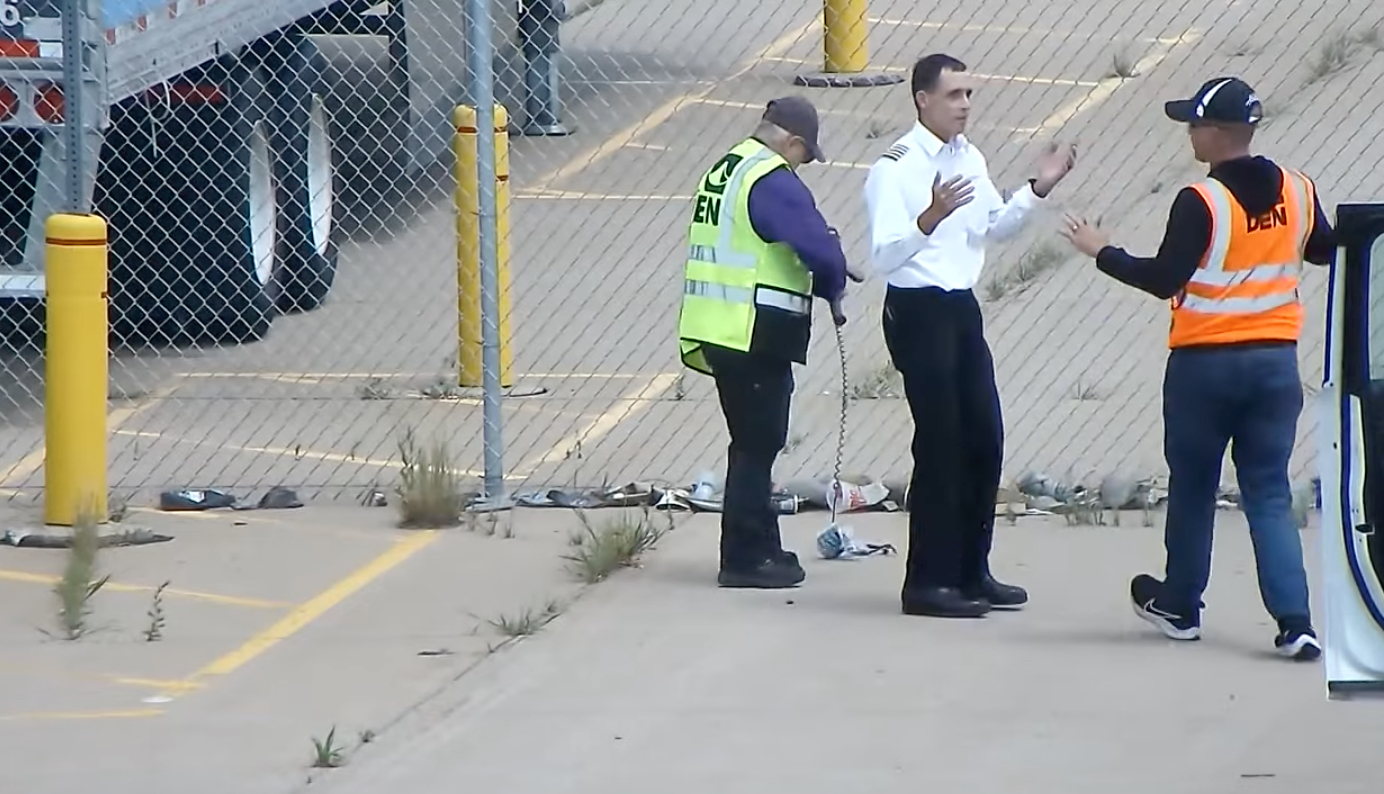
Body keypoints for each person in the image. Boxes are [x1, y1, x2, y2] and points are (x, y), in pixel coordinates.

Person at [1059, 76, 1334, 661]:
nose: (1188, 133)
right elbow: (1324, 249)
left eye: (1194, 124)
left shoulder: (1201, 201)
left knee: (1194, 486)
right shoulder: (1300, 190)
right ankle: (1295, 622)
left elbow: (1164, 279)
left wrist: (1102, 251)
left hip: (1204, 367)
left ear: (1217, 133)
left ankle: (1181, 603)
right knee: (1266, 491)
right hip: (1273, 365)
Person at [862, 53, 1076, 618]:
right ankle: (928, 582)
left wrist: (1037, 188)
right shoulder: (897, 166)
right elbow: (883, 254)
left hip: (960, 308)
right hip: (917, 308)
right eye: (954, 94)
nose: (964, 105)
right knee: (940, 443)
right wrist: (928, 218)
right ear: (922, 100)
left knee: (984, 438)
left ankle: (971, 571)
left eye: (969, 94)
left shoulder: (969, 157)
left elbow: (993, 227)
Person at [678, 96, 861, 589]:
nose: (804, 164)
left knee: (753, 445)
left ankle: (763, 547)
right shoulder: (772, 178)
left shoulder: (729, 166)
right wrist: (834, 272)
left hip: (721, 324)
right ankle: (743, 558)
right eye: (806, 154)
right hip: (752, 329)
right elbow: (818, 250)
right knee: (758, 446)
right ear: (793, 142)